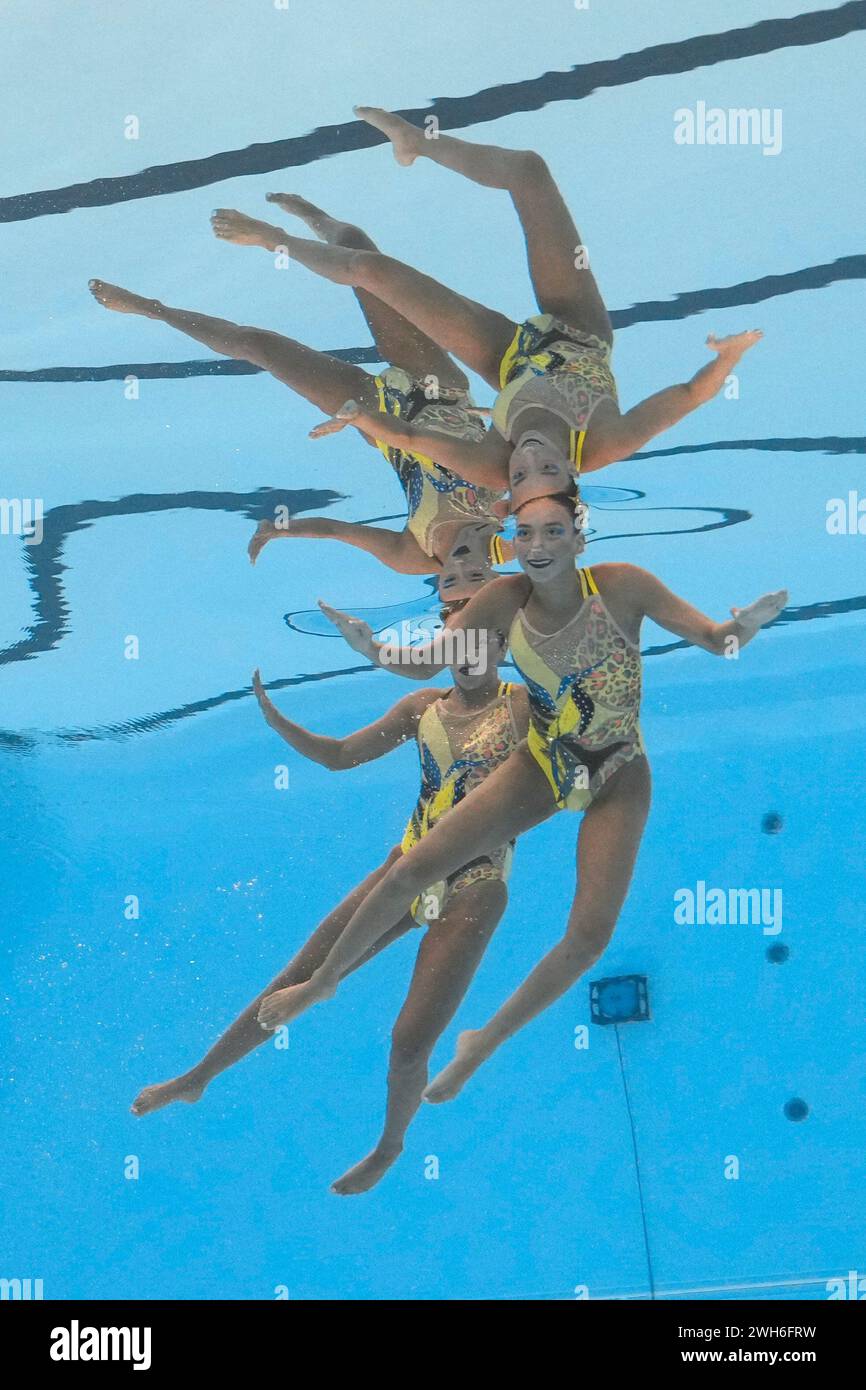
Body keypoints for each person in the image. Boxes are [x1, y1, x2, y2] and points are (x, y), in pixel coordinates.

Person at [249, 491, 786, 1109]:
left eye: (553, 533)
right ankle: (323, 983)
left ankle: (481, 1043)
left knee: (588, 937)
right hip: (546, 761)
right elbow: (429, 664)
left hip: (618, 771)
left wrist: (742, 627)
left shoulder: (624, 586)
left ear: (580, 541)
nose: (537, 547)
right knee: (416, 866)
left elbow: (717, 642)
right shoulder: (502, 601)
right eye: (525, 534)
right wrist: (372, 650)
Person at [209, 109, 763, 510]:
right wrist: (728, 357)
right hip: (579, 331)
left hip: (506, 359)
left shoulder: (488, 467)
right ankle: (415, 141)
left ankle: (271, 238)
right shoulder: (606, 443)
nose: (530, 458)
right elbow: (689, 396)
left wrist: (360, 417)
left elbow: (411, 439)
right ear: (572, 471)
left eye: (521, 474)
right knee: (529, 172)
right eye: (548, 468)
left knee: (371, 272)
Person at [130, 644, 529, 1194]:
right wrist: (276, 721)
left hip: (476, 881)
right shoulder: (421, 709)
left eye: (479, 636)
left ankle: (390, 1147)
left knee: (410, 1040)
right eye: (451, 637)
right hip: (407, 864)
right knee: (293, 978)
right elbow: (340, 754)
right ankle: (196, 1078)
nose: (464, 651)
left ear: (502, 645)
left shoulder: (525, 708)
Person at [88, 195, 509, 598]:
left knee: (257, 345)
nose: (463, 567)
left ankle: (151, 308)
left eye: (454, 580)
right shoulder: (519, 526)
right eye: (477, 575)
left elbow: (338, 532)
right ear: (494, 576)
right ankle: (309, 219)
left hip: (376, 417)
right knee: (361, 255)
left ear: (441, 586)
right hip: (437, 389)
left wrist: (281, 530)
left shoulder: (413, 557)